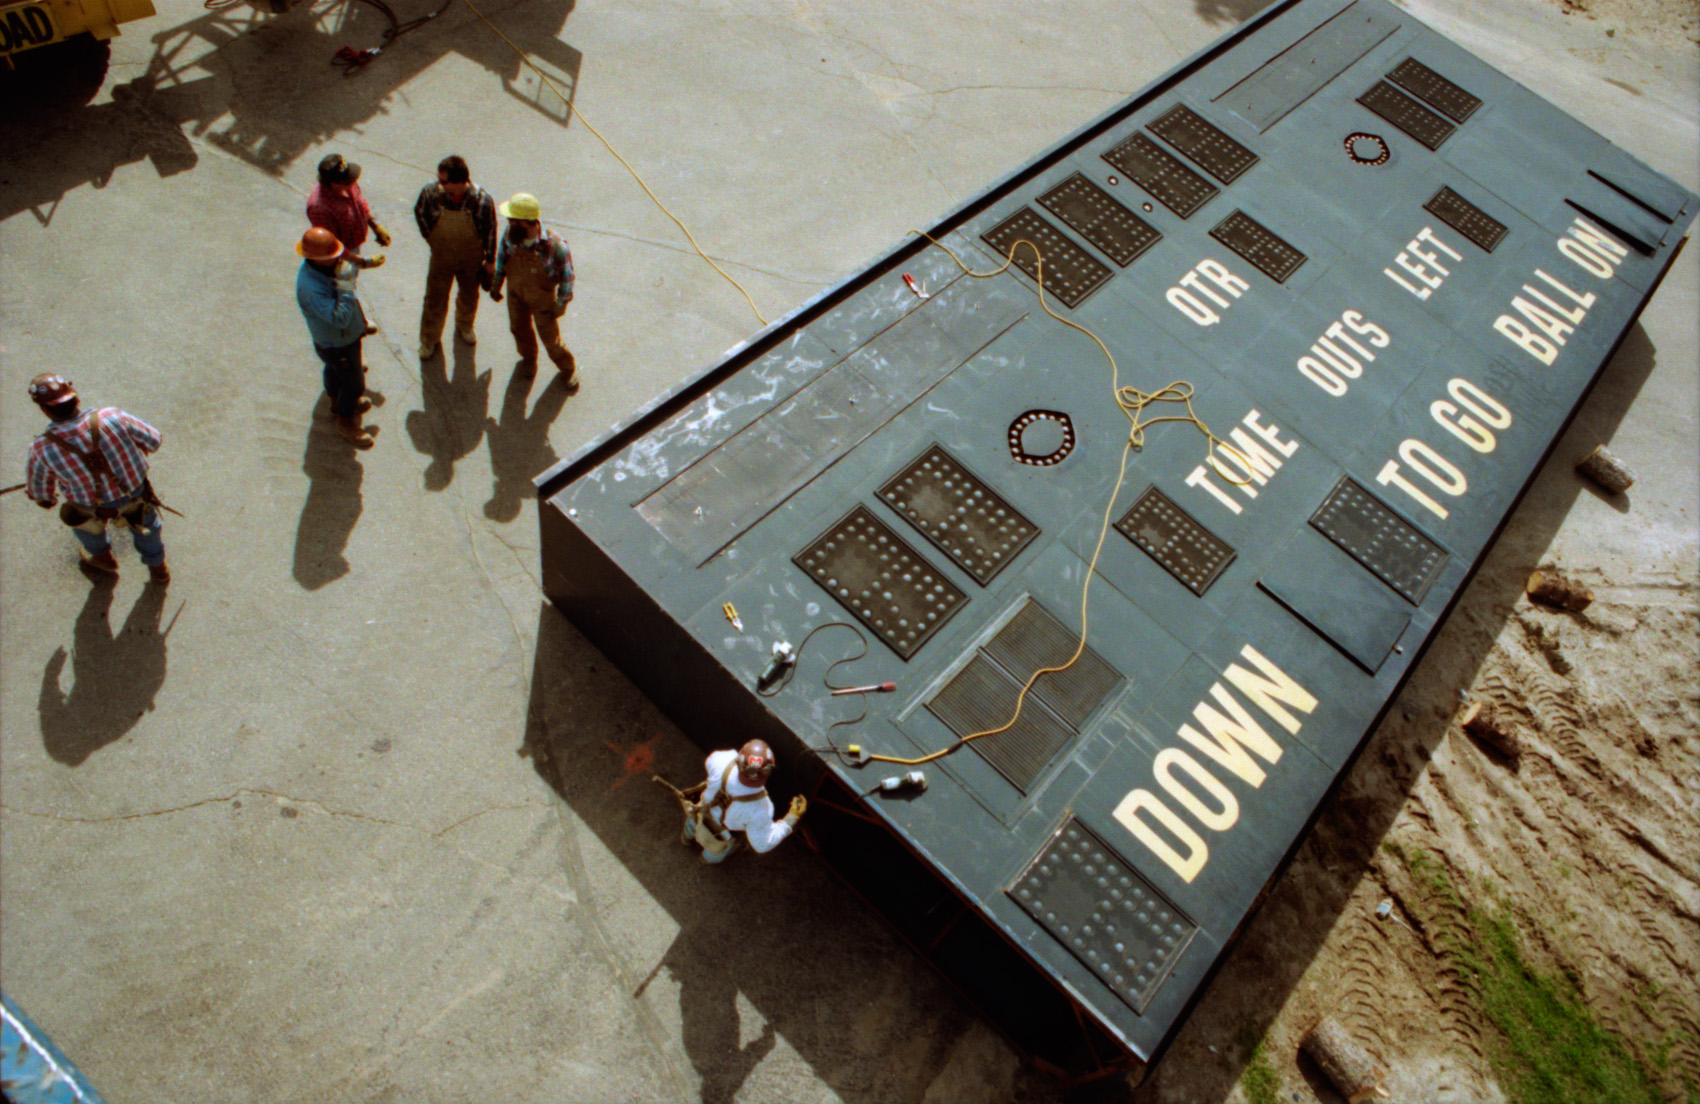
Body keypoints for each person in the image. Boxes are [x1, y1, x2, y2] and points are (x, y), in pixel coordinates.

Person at [24, 373, 170, 584]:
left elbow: (41, 494)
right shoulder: (113, 417)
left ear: (44, 409)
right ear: (76, 399)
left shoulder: (41, 448)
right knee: (148, 530)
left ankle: (103, 558)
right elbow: (154, 440)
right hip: (135, 493)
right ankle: (159, 569)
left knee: (84, 526)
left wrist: (47, 498)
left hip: (89, 505)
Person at [296, 226, 376, 448]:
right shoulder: (311, 289)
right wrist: (346, 285)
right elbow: (340, 318)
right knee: (354, 384)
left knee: (333, 370)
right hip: (338, 342)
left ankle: (336, 403)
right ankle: (345, 421)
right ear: (316, 258)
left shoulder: (321, 269)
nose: (337, 258)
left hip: (334, 341)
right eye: (331, 256)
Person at [489, 192, 578, 390]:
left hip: (542, 299)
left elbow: (567, 277)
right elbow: (503, 257)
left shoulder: (555, 246)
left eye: (513, 220)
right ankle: (529, 359)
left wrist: (561, 303)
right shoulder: (511, 234)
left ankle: (568, 368)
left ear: (528, 222)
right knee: (518, 329)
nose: (508, 222)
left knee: (551, 340)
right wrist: (497, 283)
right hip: (515, 294)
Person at [413, 154, 497, 360]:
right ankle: (429, 339)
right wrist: (430, 237)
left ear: (461, 182)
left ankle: (465, 325)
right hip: (441, 257)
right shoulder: (431, 193)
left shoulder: (482, 200)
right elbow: (419, 212)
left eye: (444, 181)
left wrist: (491, 260)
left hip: (471, 258)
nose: (439, 184)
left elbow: (491, 230)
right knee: (434, 299)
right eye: (439, 179)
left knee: (469, 295)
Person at [681, 739, 806, 864]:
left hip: (700, 813)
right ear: (767, 772)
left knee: (692, 825)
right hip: (722, 835)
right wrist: (791, 818)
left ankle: (686, 839)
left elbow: (708, 764)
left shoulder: (722, 759)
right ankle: (705, 860)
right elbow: (762, 845)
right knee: (715, 851)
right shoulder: (762, 807)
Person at [306, 153, 390, 270]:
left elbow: (360, 202)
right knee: (343, 287)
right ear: (334, 184)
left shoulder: (348, 182)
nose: (354, 182)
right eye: (349, 181)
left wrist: (375, 225)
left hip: (352, 246)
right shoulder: (319, 208)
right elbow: (332, 245)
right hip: (336, 260)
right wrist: (364, 261)